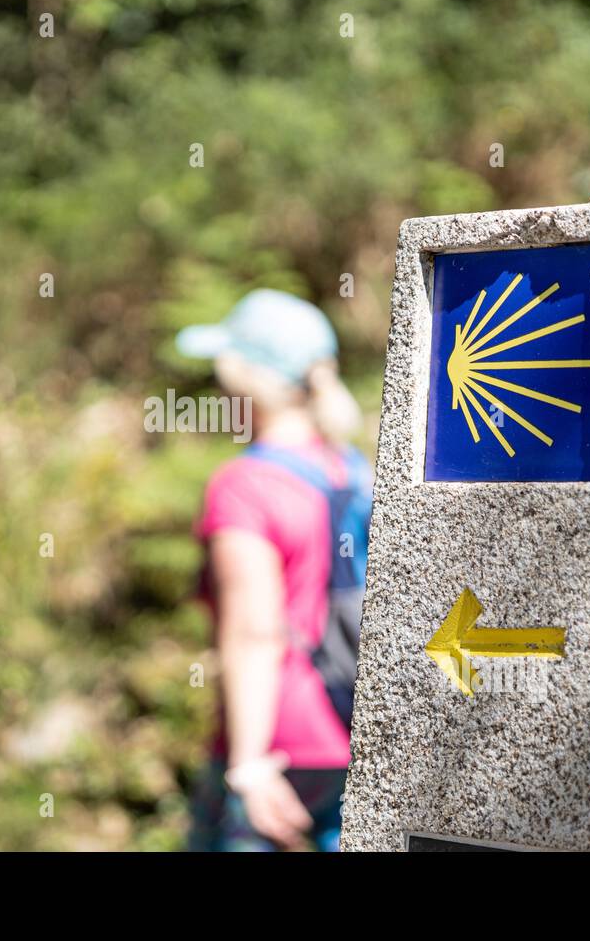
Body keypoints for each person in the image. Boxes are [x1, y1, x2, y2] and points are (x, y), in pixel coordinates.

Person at [179, 289, 370, 851]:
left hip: (276, 740)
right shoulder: (352, 470)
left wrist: (249, 764)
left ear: (242, 378)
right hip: (352, 727)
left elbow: (256, 631)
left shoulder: (245, 486)